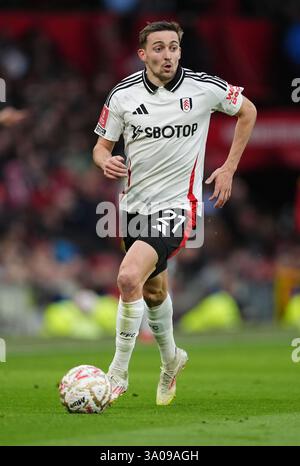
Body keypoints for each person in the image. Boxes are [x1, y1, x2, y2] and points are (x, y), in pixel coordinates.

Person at [92, 20, 257, 405]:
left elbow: (247, 111)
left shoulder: (204, 88)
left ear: (180, 51)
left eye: (173, 48)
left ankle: (116, 373)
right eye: (159, 48)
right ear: (143, 54)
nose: (167, 55)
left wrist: (230, 167)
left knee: (128, 276)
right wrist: (105, 161)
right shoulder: (123, 96)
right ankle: (171, 359)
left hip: (178, 207)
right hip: (133, 208)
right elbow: (101, 147)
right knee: (151, 291)